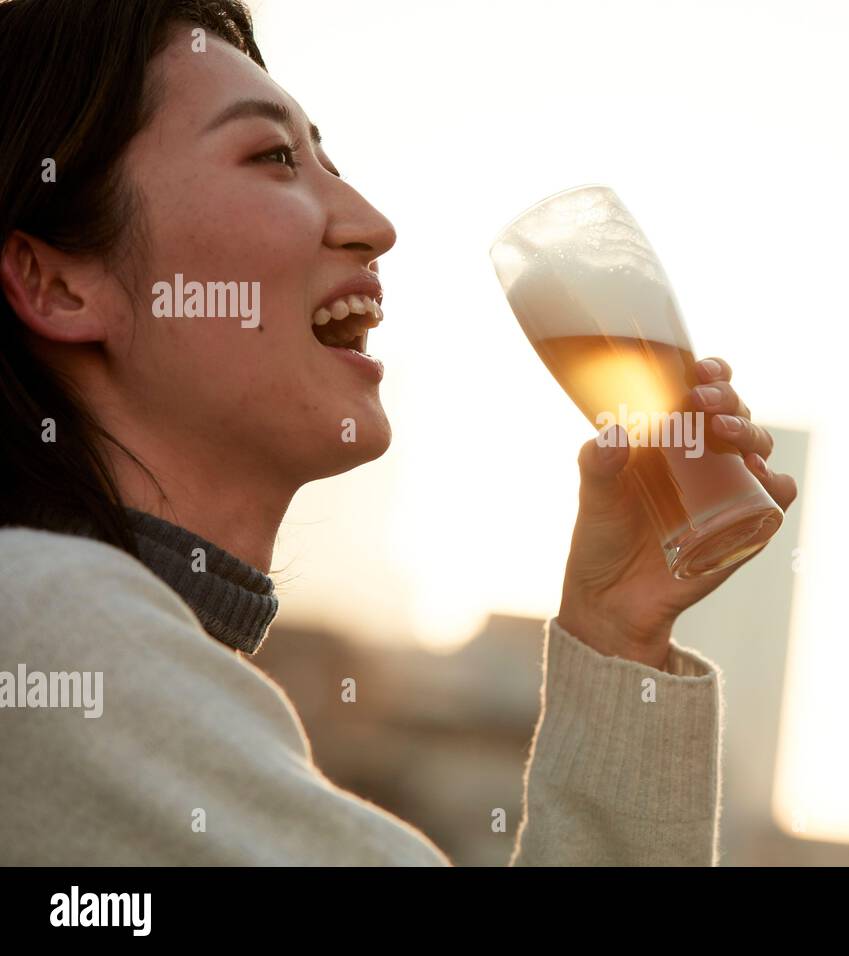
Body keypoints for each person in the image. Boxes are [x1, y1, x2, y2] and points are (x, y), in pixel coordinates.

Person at [0, 0, 798, 865]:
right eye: (272, 157)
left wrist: (616, 631)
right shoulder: (41, 617)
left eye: (330, 161)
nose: (373, 224)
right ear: (58, 285)